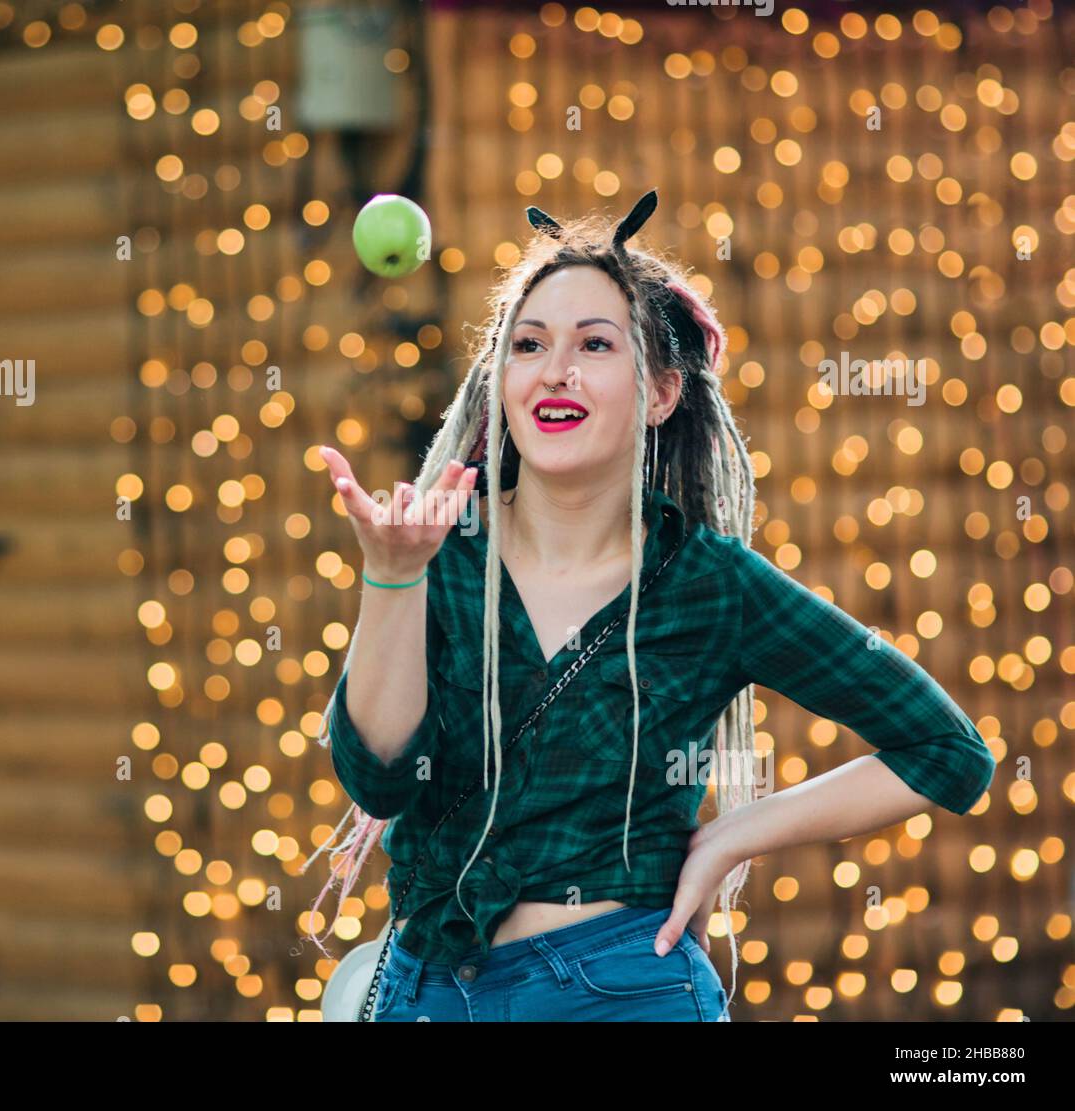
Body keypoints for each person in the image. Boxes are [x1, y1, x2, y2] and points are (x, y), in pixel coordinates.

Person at [303, 191, 996, 1022]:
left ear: (662, 392)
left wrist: (731, 835)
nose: (555, 369)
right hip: (427, 993)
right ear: (503, 379)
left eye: (594, 344)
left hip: (624, 989)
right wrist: (390, 576)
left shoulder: (709, 584)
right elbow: (376, 779)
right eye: (529, 344)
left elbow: (949, 751)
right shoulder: (440, 548)